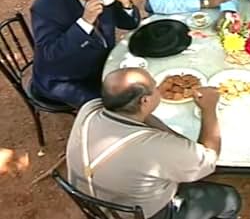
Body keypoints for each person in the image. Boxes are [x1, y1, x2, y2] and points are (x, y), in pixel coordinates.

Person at [66, 68, 241, 219]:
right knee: (231, 198)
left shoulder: (89, 109)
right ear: (145, 101)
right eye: (155, 87)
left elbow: (143, 117)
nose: (159, 88)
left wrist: (175, 140)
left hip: (95, 202)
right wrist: (209, 109)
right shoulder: (154, 149)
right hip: (146, 214)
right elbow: (209, 159)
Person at [30, 0, 141, 108]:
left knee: (141, 87)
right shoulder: (46, 7)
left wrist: (125, 3)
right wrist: (84, 23)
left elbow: (130, 23)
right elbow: (51, 55)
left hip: (101, 64)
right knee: (114, 108)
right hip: (66, 77)